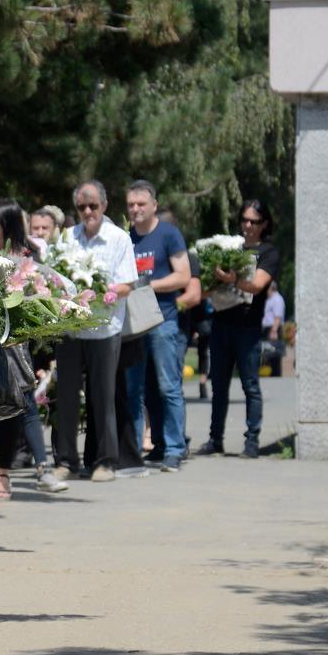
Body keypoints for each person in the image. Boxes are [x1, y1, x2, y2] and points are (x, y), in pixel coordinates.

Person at [53, 180, 139, 483]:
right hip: (71, 328)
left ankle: (105, 461)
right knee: (66, 396)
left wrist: (102, 291)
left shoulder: (118, 238)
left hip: (104, 327)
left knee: (103, 398)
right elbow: (55, 278)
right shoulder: (67, 237)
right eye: (82, 206)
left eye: (93, 205)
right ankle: (65, 460)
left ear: (104, 205)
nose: (88, 211)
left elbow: (128, 284)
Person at [0, 199, 68, 499]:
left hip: (15, 345)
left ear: (6, 224)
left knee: (24, 405)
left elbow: (47, 291)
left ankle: (37, 469)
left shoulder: (27, 258)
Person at [196, 199, 280, 459]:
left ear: (264, 224)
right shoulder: (230, 248)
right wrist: (210, 278)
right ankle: (215, 440)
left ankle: (251, 442)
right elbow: (206, 289)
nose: (248, 225)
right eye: (244, 220)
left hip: (248, 328)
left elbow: (257, 285)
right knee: (219, 386)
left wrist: (233, 279)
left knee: (250, 386)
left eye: (254, 221)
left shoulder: (268, 252)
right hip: (221, 324)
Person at [124, 181, 191, 472]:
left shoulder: (169, 234)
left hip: (163, 321)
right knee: (135, 391)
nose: (135, 209)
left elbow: (183, 276)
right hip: (133, 323)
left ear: (154, 205)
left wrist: (148, 285)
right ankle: (136, 451)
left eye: (141, 204)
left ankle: (175, 449)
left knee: (168, 387)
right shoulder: (125, 238)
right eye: (131, 204)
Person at [262, 281, 286, 377]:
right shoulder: (269, 299)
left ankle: (275, 375)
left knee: (274, 353)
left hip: (273, 328)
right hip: (267, 328)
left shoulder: (277, 299)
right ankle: (269, 373)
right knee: (267, 353)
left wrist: (274, 331)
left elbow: (277, 317)